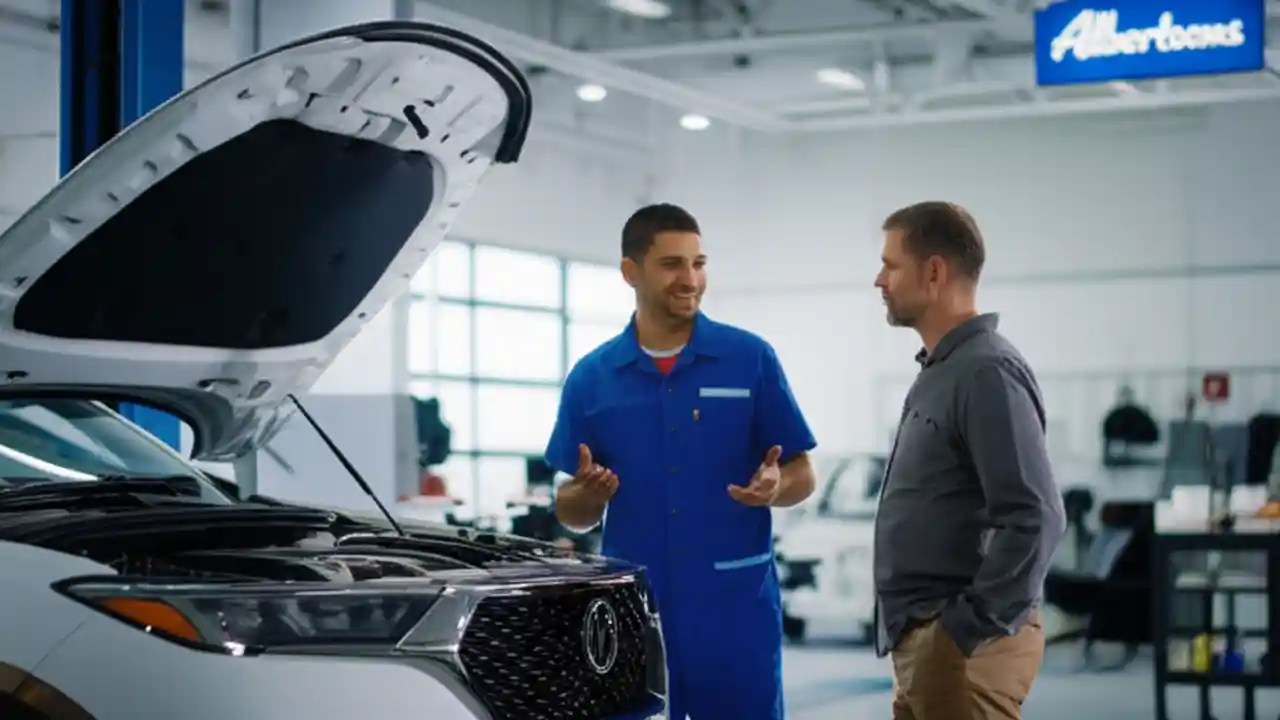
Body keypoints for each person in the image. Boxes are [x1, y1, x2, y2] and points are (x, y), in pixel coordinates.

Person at [544, 203, 817, 720]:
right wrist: (587, 496)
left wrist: (775, 487)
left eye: (699, 263)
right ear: (631, 272)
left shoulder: (750, 359)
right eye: (672, 264)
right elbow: (570, 510)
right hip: (634, 616)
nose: (690, 279)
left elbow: (802, 472)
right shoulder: (592, 378)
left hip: (734, 613)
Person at [871, 201, 1066, 720]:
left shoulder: (985, 372)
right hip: (929, 640)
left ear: (933, 272)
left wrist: (966, 627)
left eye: (891, 265)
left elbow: (1036, 515)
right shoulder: (945, 369)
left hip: (961, 645)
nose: (879, 279)